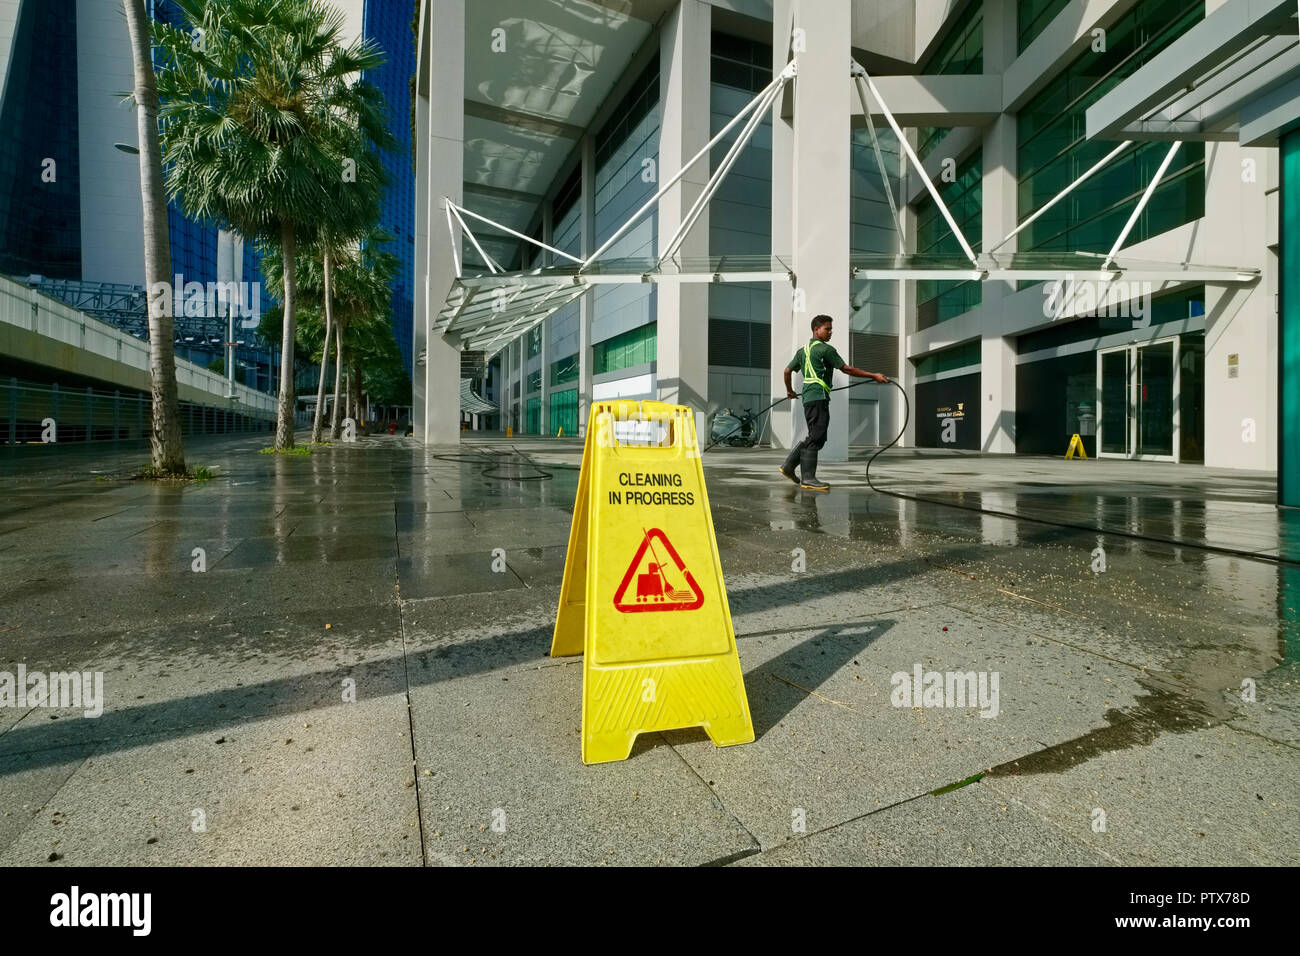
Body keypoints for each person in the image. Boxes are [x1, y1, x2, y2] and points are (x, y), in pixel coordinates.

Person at [780, 314, 889, 492]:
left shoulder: (803, 351)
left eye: (831, 329)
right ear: (816, 330)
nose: (831, 332)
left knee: (816, 436)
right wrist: (873, 375)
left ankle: (789, 466)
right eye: (827, 328)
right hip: (818, 397)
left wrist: (789, 390)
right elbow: (846, 369)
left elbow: (786, 371)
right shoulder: (825, 349)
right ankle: (808, 478)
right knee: (816, 437)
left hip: (809, 398)